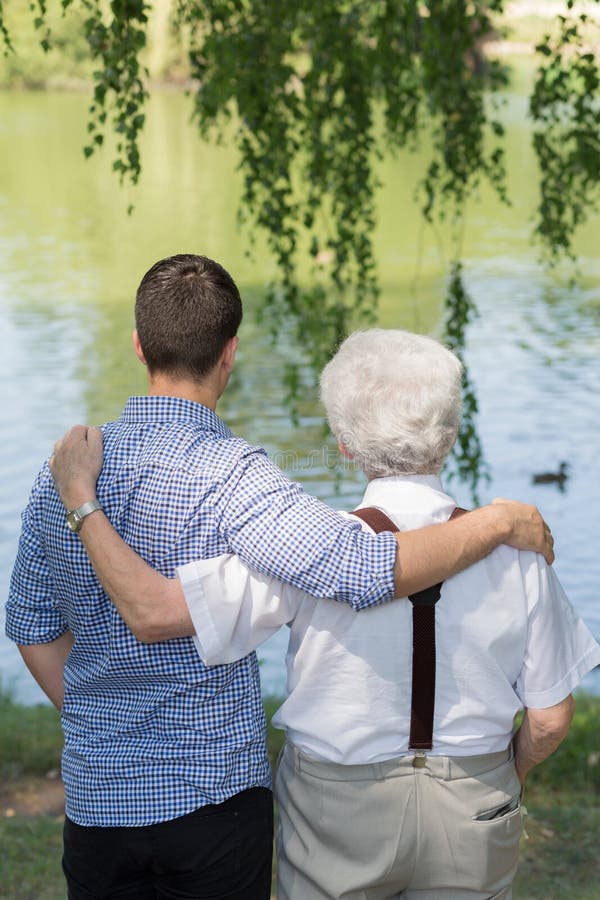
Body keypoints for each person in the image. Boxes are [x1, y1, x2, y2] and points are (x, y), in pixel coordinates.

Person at [8, 253, 553, 899]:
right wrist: (495, 522)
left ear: (138, 345)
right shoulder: (238, 477)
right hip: (212, 796)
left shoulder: (63, 471)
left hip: (99, 798)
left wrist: (103, 720)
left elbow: (32, 627)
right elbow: (364, 566)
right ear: (230, 353)